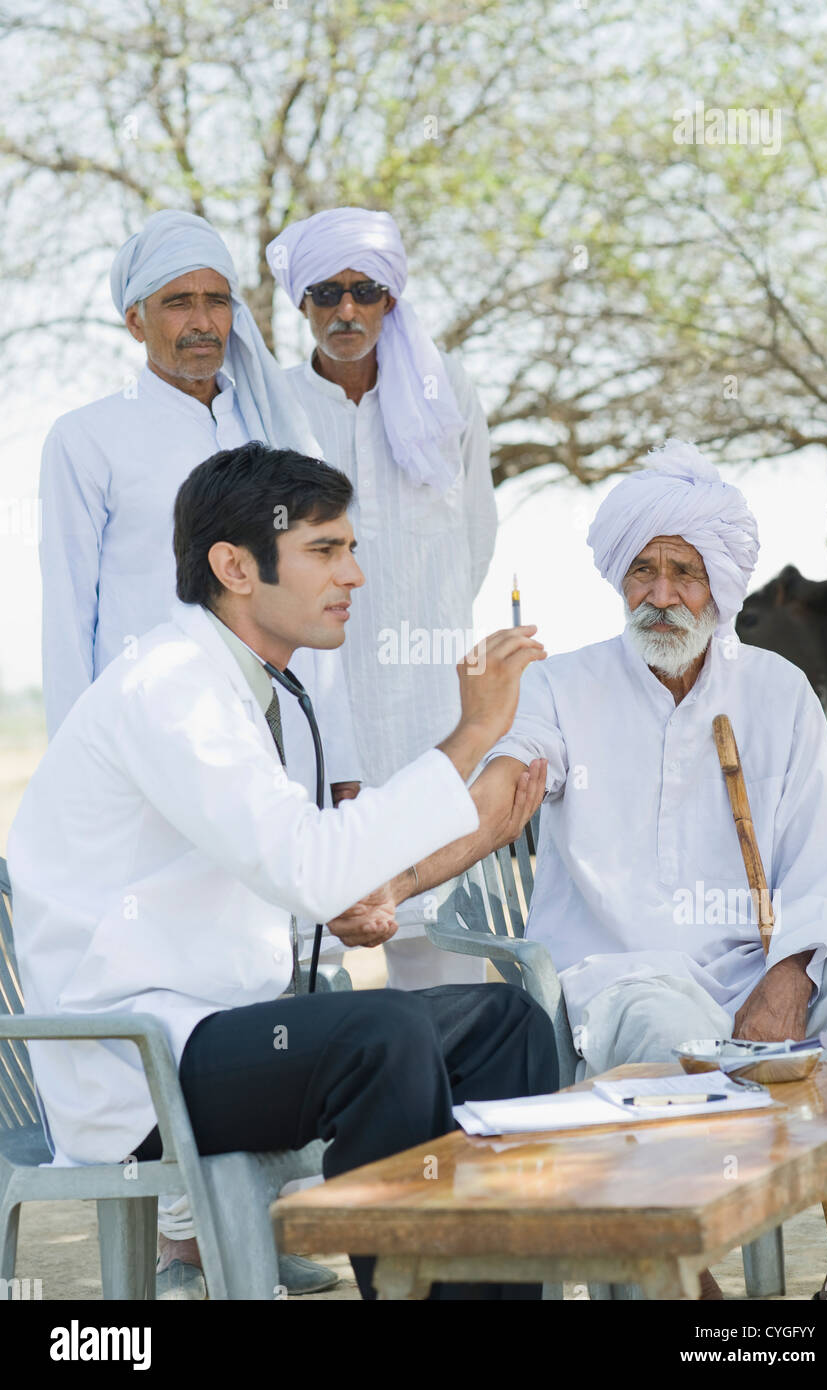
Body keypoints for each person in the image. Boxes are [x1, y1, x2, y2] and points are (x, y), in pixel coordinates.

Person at [8, 441, 556, 1301]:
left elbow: (272, 864)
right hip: (136, 1059)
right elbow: (304, 862)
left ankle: (488, 1299)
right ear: (234, 565)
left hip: (220, 1030)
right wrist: (471, 735)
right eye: (324, 550)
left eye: (351, 548)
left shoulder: (248, 685)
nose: (354, 575)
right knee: (384, 1037)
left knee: (503, 1021)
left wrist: (334, 903)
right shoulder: (172, 688)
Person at [382, 437, 827, 1300]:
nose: (662, 595)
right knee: (662, 1024)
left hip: (762, 961)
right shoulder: (562, 687)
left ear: (720, 583)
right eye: (642, 570)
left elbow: (808, 864)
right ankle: (702, 1314)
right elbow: (500, 798)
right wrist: (394, 883)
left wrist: (789, 971)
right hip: (619, 973)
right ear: (617, 579)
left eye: (684, 571)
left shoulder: (775, 691)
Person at [37, 209, 364, 1294]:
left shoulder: (271, 435)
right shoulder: (86, 439)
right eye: (179, 301)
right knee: (179, 967)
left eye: (218, 300)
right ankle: (186, 1240)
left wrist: (340, 751)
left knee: (267, 961)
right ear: (133, 316)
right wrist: (99, 773)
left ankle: (257, 1220)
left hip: (259, 726)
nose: (203, 322)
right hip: (149, 751)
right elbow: (66, 614)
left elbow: (309, 600)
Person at [266, 207, 498, 990]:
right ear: (302, 304)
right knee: (312, 938)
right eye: (326, 292)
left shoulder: (445, 391)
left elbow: (475, 531)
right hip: (321, 694)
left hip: (426, 697)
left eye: (365, 291)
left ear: (391, 300)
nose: (346, 311)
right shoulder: (278, 406)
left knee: (440, 941)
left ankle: (462, 1112)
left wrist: (422, 626)